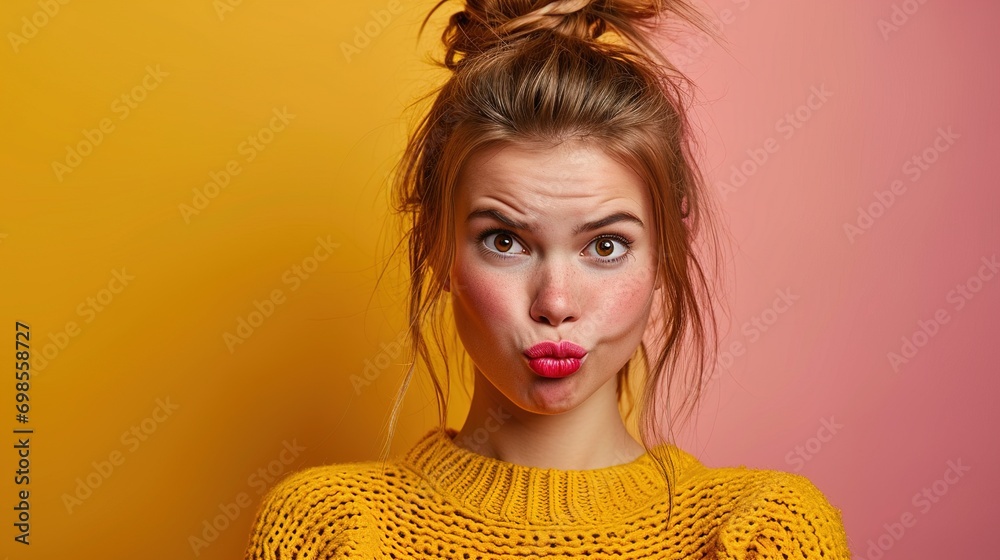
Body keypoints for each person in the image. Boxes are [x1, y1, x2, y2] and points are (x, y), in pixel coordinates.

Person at [244, 0, 851, 558]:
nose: (555, 304)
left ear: (666, 253)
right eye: (504, 241)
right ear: (436, 245)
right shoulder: (334, 529)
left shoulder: (759, 533)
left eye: (606, 246)